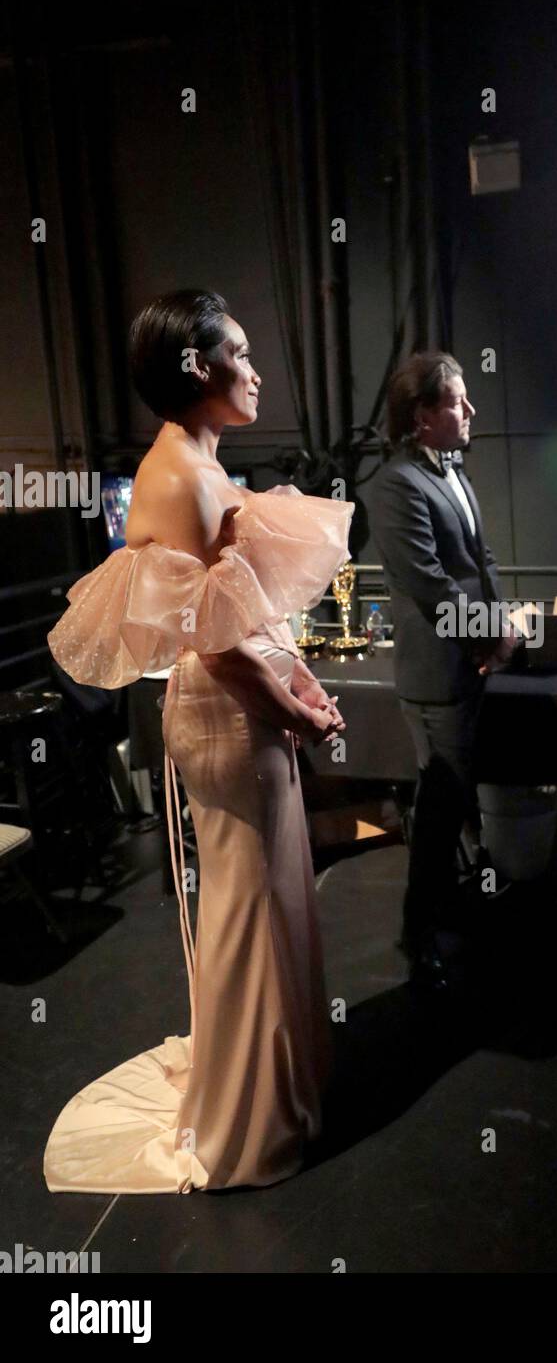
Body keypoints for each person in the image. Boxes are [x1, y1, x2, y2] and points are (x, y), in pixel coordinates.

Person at [43, 290, 354, 1193]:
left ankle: (273, 1085)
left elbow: (248, 618)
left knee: (271, 899)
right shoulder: (174, 475)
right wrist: (292, 709)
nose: (257, 371)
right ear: (197, 367)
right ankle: (243, 1123)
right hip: (225, 716)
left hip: (250, 705)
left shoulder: (203, 464)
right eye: (242, 353)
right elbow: (212, 645)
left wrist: (301, 681)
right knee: (247, 908)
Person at [369, 352, 514, 992]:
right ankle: (417, 934)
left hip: (469, 663)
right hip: (436, 675)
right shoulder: (393, 484)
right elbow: (430, 587)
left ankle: (445, 907)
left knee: (450, 801)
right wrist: (494, 634)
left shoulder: (450, 470)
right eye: (457, 401)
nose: (470, 410)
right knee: (438, 808)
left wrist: (500, 623)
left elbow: (479, 560)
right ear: (423, 417)